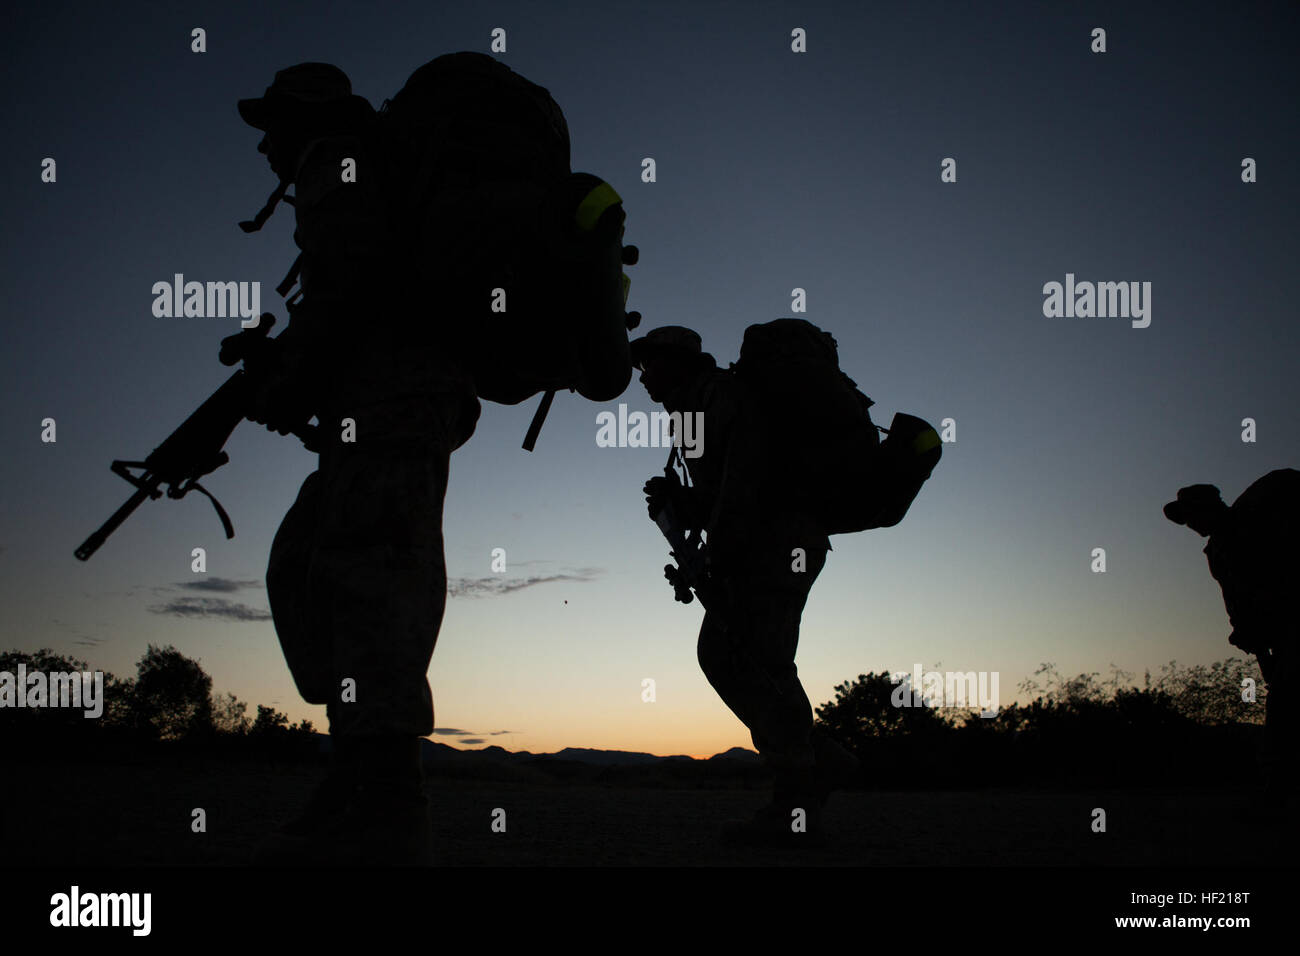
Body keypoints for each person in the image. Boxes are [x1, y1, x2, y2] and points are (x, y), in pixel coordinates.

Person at [238, 63, 481, 865]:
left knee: (370, 582)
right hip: (386, 405)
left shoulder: (333, 158)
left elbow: (353, 289)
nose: (265, 144)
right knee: (310, 568)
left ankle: (387, 802)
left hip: (395, 402)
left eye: (271, 125)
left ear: (301, 117)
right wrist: (297, 374)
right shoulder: (377, 165)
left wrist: (289, 373)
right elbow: (359, 294)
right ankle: (357, 780)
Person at [635, 326, 857, 846]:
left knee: (745, 658)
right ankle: (818, 765)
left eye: (649, 365)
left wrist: (722, 554)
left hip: (774, 544)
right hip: (771, 542)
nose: (641, 378)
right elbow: (720, 489)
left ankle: (799, 800)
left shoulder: (714, 394)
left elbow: (745, 477)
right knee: (751, 658)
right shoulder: (692, 407)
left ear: (678, 360)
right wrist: (681, 505)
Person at [1164, 469, 1300, 809]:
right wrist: (1256, 644)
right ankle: (1277, 789)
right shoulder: (1218, 553)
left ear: (1210, 507)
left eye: (1191, 516)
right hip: (1279, 633)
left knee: (1284, 700)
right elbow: (1237, 603)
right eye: (1186, 520)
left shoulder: (1256, 521)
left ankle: (1276, 792)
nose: (1190, 525)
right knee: (1284, 699)